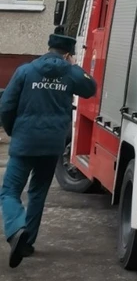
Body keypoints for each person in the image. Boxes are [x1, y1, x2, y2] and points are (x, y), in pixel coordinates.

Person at [0, 32, 97, 268]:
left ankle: (15, 229)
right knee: (38, 192)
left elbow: (6, 105)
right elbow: (90, 87)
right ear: (68, 54)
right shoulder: (70, 72)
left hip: (25, 142)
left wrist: (14, 130)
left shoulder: (26, 70)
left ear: (49, 48)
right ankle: (27, 242)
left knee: (9, 191)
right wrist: (74, 67)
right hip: (52, 144)